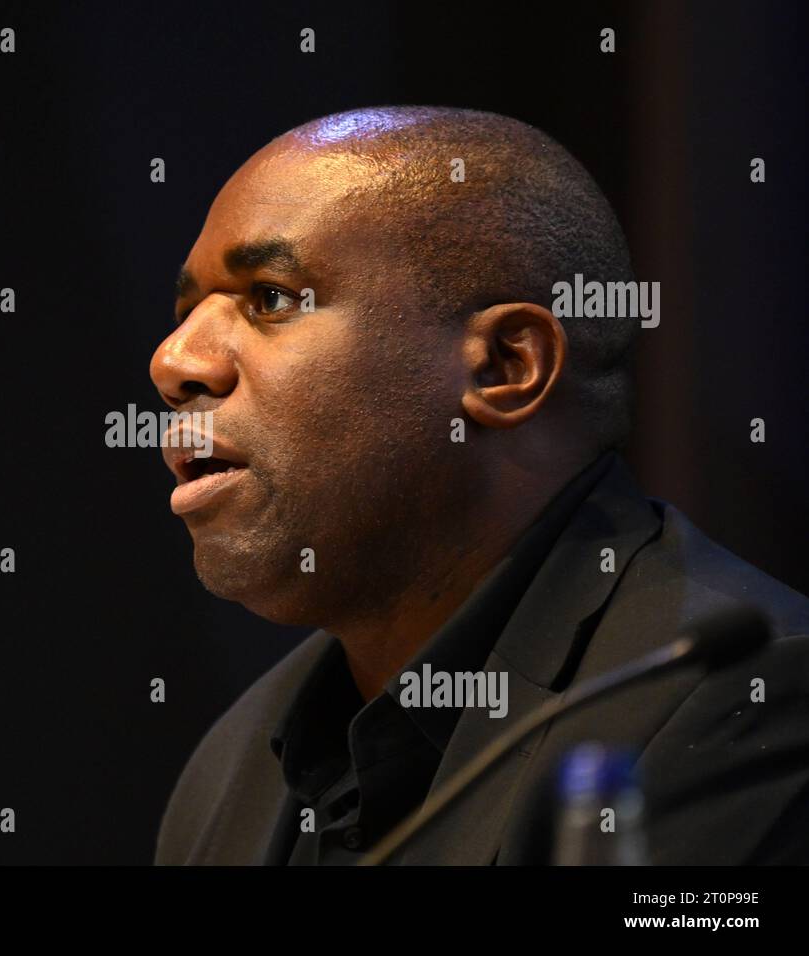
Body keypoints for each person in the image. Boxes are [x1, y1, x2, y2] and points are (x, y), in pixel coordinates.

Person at [148, 106, 809, 865]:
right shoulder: (237, 767)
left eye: (269, 297)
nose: (174, 362)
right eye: (185, 311)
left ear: (504, 366)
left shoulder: (743, 702)